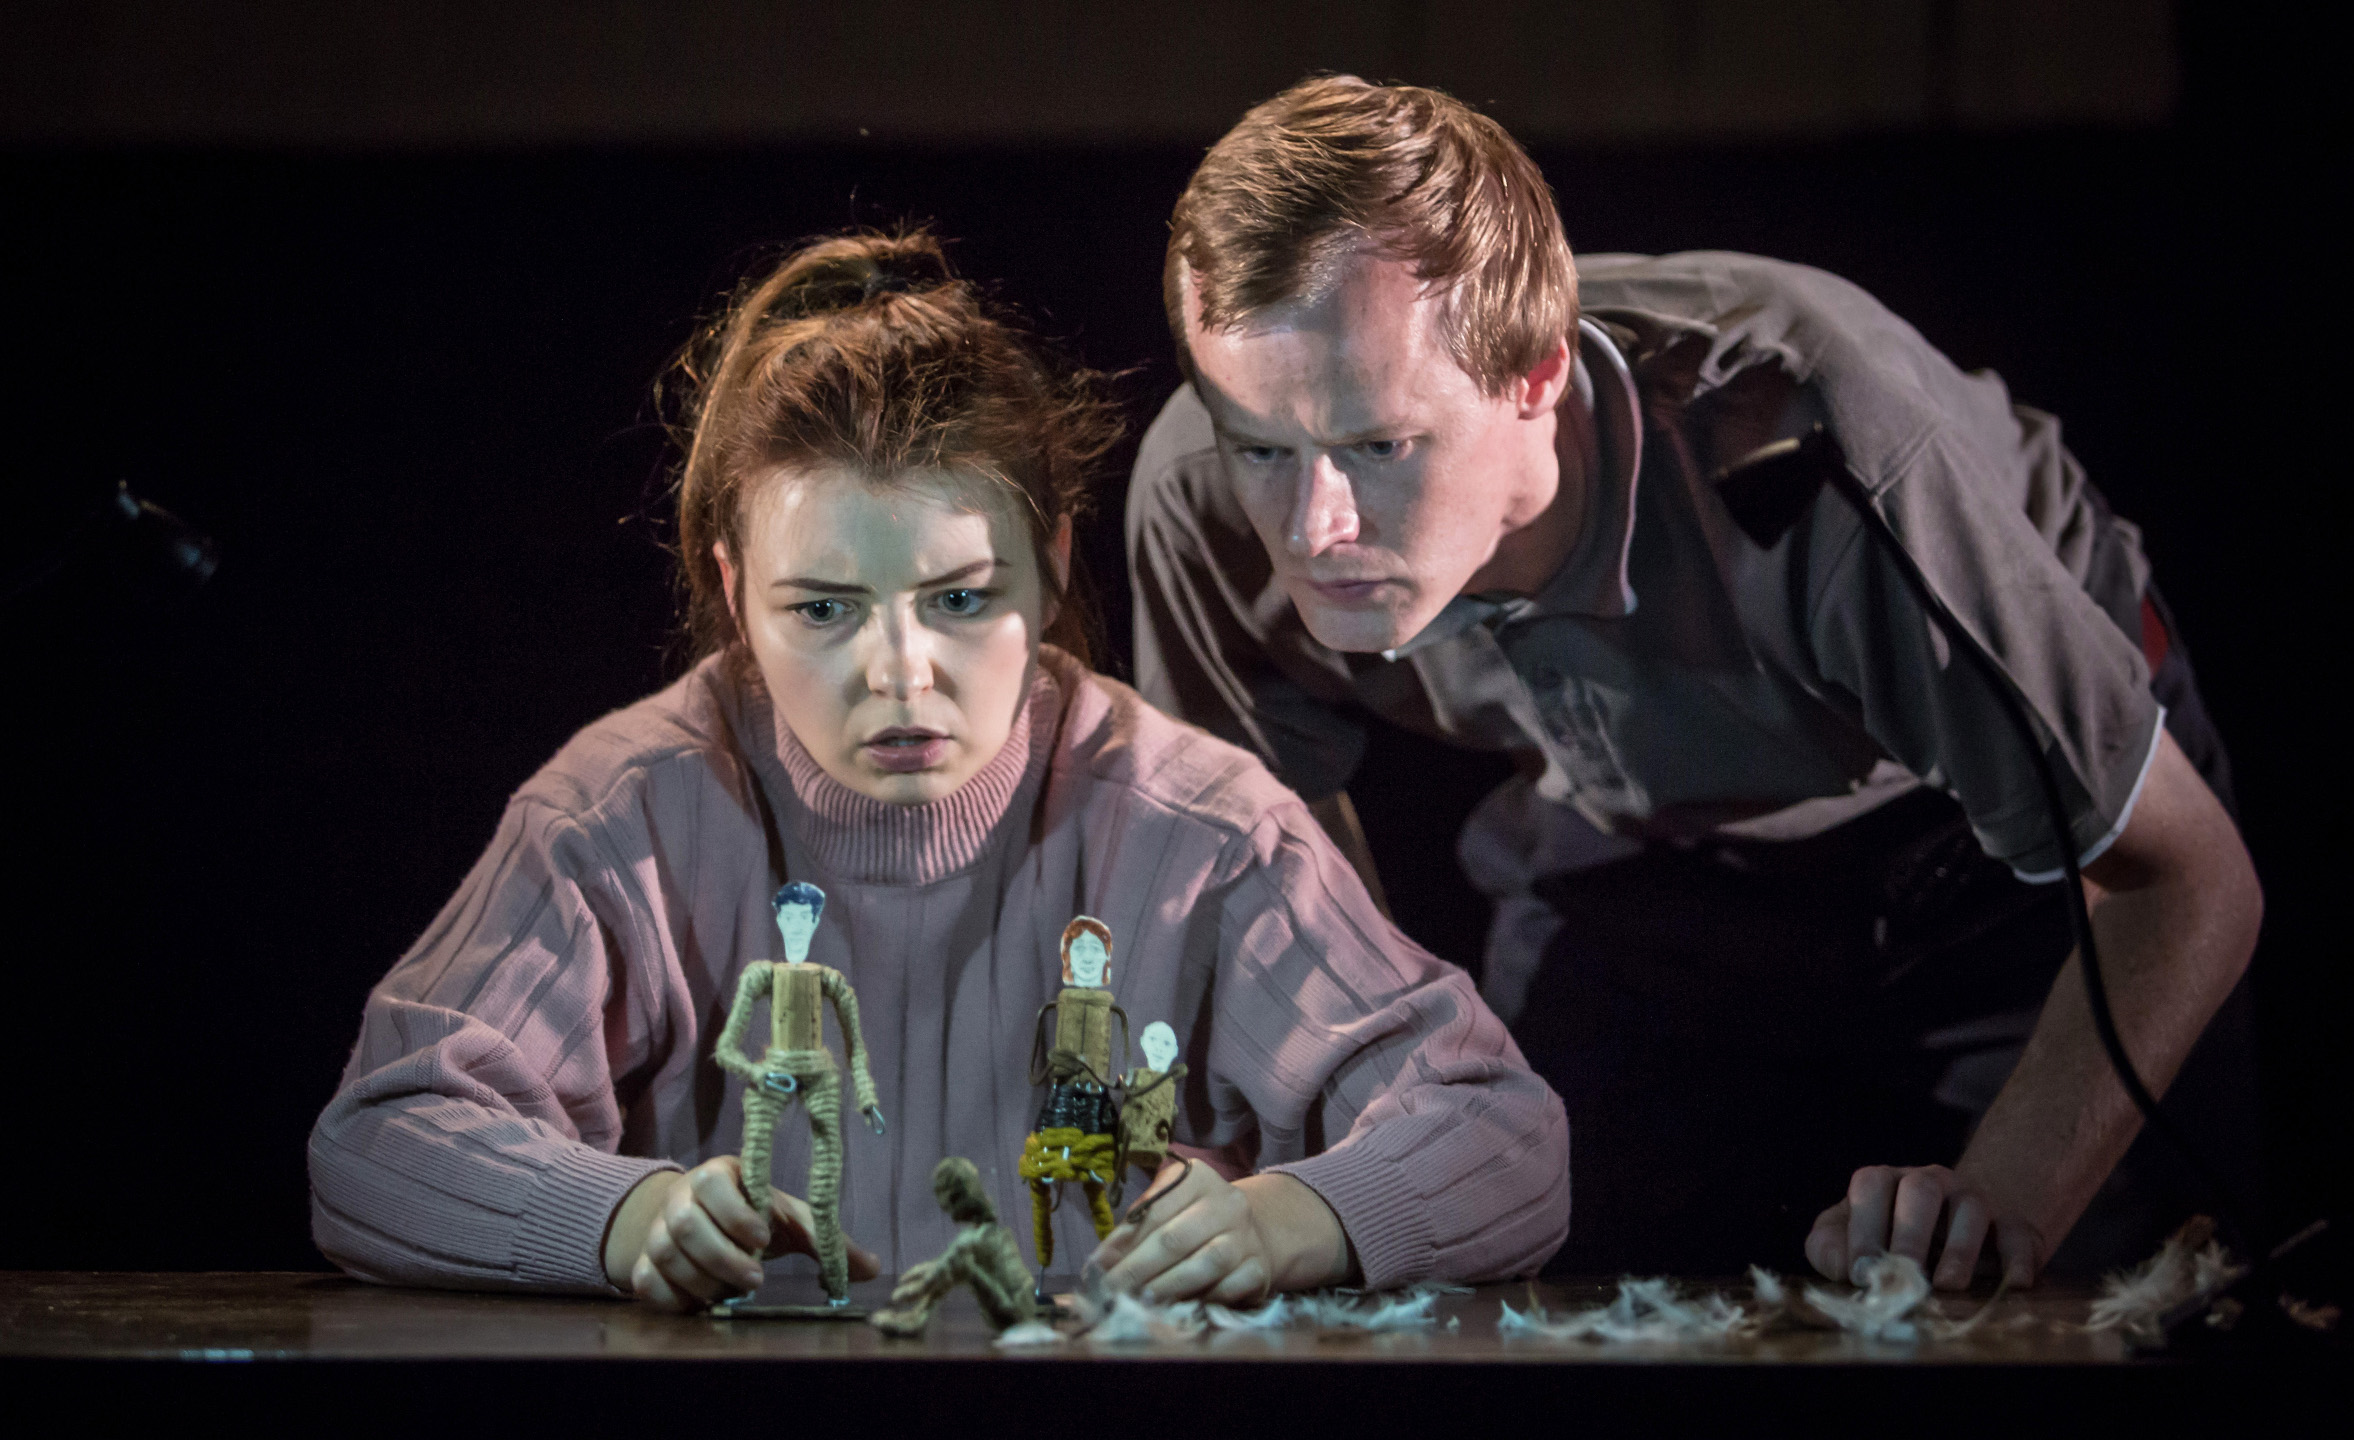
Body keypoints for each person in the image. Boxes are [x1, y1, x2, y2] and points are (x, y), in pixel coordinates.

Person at [1127, 77, 2264, 1288]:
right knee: (1498, 1268)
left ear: (1535, 377)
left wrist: (1998, 1209)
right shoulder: (1198, 500)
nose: (1313, 525)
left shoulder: (1825, 448)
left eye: (1379, 446)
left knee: (2082, 1311)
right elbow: (1264, 888)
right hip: (1630, 851)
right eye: (1262, 446)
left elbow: (2184, 882)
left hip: (2001, 861)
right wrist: (1326, 1176)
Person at [307, 228, 1566, 1311]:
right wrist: (621, 1219)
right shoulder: (617, 817)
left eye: (962, 598)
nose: (900, 671)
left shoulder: (1204, 832)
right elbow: (378, 1140)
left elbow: (1504, 1137)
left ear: (1054, 561)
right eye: (822, 610)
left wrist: (1294, 1221)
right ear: (737, 592)